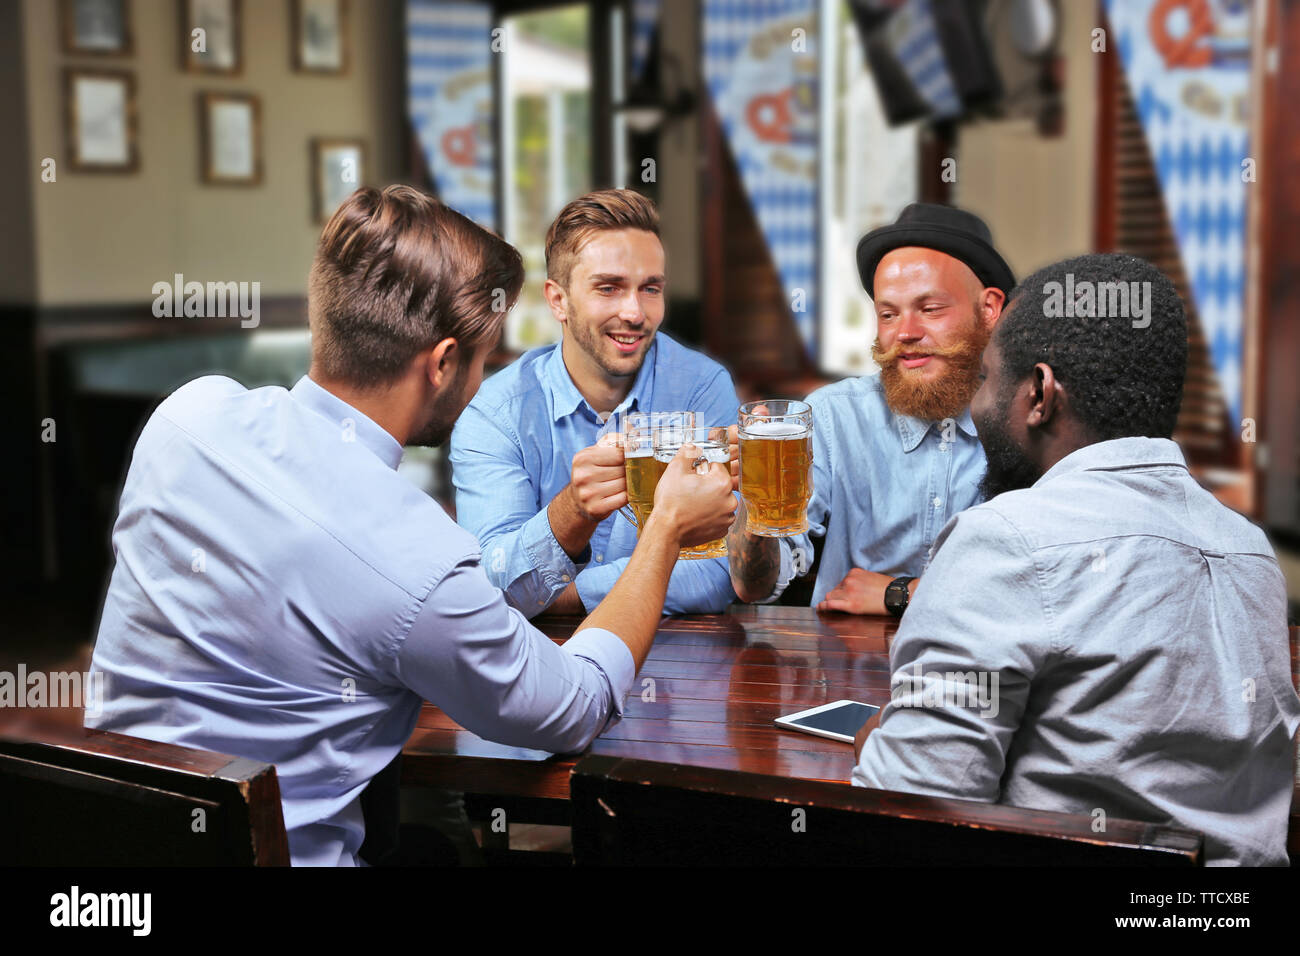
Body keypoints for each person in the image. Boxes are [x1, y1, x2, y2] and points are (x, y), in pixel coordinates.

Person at [85, 185, 737, 866]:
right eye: (483, 357)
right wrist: (663, 532)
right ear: (443, 364)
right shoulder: (414, 560)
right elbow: (575, 707)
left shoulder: (186, 418)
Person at [852, 253, 1300, 866]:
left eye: (986, 381)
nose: (977, 408)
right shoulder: (1250, 552)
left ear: (1037, 393)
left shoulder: (1006, 540)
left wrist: (877, 743)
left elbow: (909, 815)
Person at [450, 188, 741, 617]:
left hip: (680, 662)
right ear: (558, 300)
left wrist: (563, 596)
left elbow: (720, 571)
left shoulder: (700, 386)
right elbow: (489, 585)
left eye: (650, 288)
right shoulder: (496, 413)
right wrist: (570, 513)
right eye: (609, 288)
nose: (635, 313)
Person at [727, 202, 1013, 616]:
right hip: (844, 671)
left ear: (988, 309)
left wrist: (901, 593)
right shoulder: (831, 417)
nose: (907, 333)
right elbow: (754, 588)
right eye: (888, 314)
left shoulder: (1029, 421)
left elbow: (1042, 583)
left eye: (930, 309)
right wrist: (758, 507)